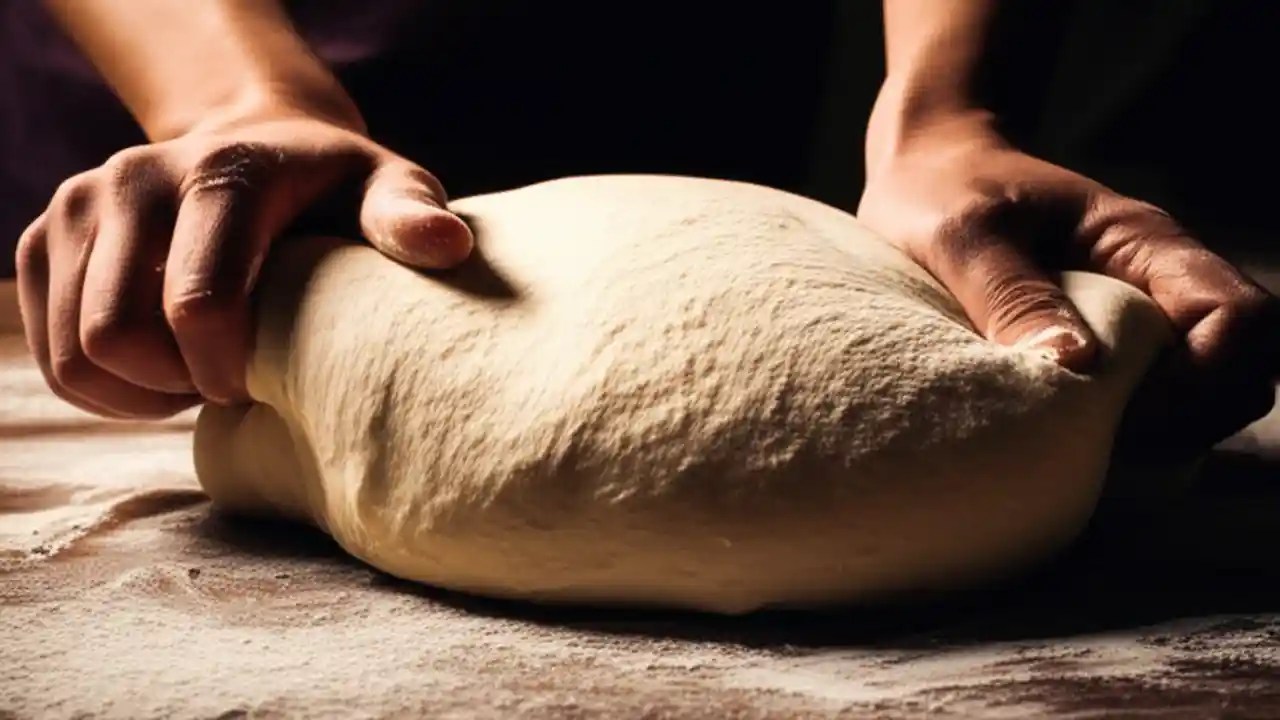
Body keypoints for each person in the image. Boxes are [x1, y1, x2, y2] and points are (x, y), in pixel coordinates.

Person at [9, 0, 1278, 452]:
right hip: (208, 127)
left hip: (672, 112)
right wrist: (238, 98)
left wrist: (942, 108)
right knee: (218, 326)